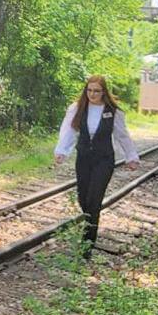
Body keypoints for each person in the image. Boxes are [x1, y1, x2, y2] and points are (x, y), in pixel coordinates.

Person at [54, 75, 140, 257]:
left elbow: (122, 135)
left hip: (104, 160)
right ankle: (88, 231)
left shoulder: (112, 111)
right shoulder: (77, 108)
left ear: (104, 92)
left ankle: (87, 246)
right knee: (83, 199)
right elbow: (68, 130)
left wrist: (131, 156)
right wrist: (62, 151)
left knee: (94, 200)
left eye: (96, 91)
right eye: (89, 90)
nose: (92, 94)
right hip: (84, 158)